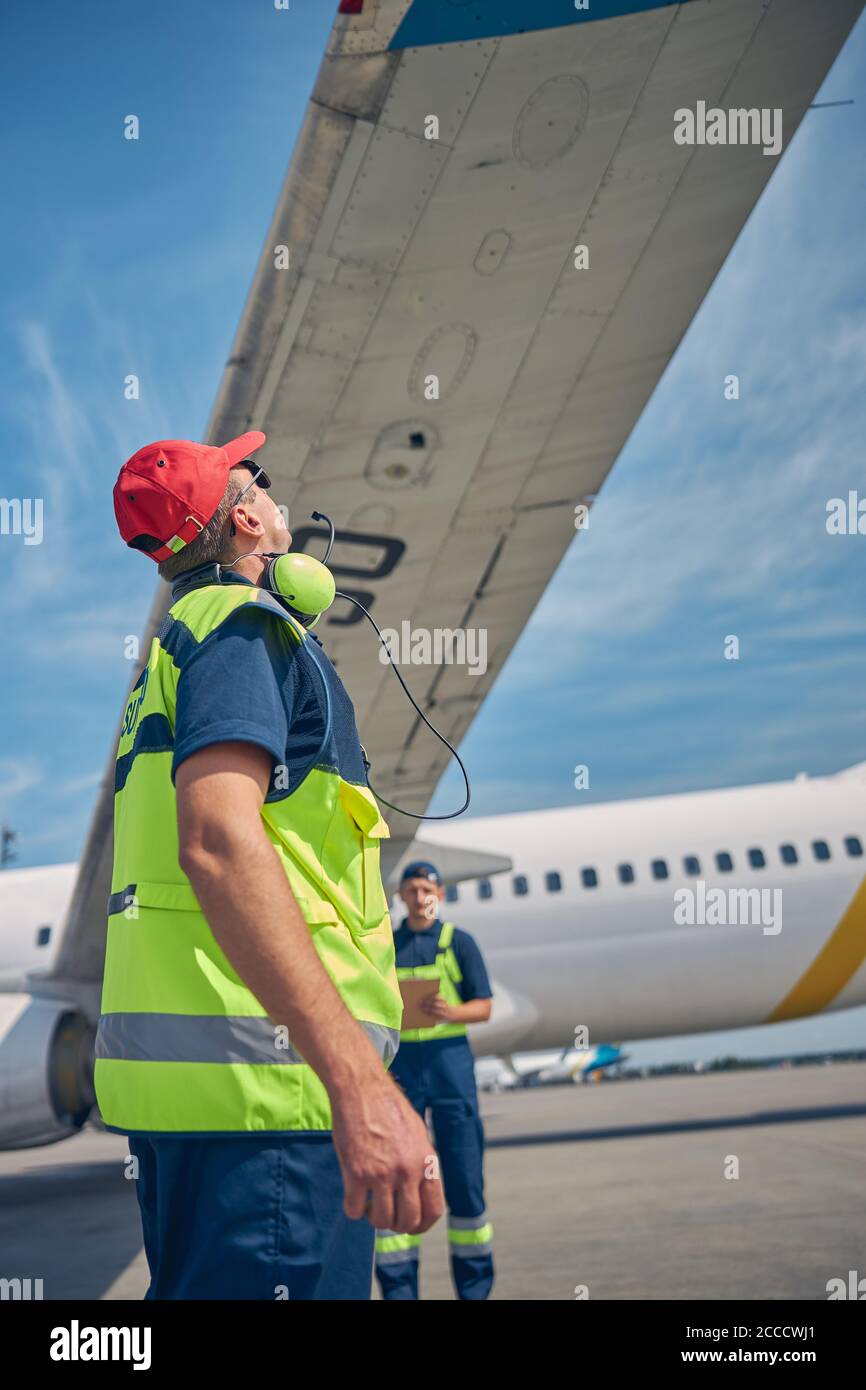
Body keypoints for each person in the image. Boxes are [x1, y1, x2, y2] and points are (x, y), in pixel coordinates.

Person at [94, 432, 442, 1299]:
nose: (283, 502)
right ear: (248, 518)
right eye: (264, 484)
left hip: (212, 1115)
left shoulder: (177, 649)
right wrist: (357, 1082)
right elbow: (217, 842)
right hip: (272, 1107)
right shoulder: (242, 630)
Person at [375, 861, 494, 1300]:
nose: (419, 896)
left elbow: (484, 1006)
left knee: (464, 1182)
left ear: (440, 894)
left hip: (450, 1069)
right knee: (399, 1179)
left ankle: (474, 1290)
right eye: (410, 890)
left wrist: (451, 1012)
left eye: (426, 889)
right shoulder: (387, 943)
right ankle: (399, 1292)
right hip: (402, 1071)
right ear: (401, 897)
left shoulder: (458, 943)